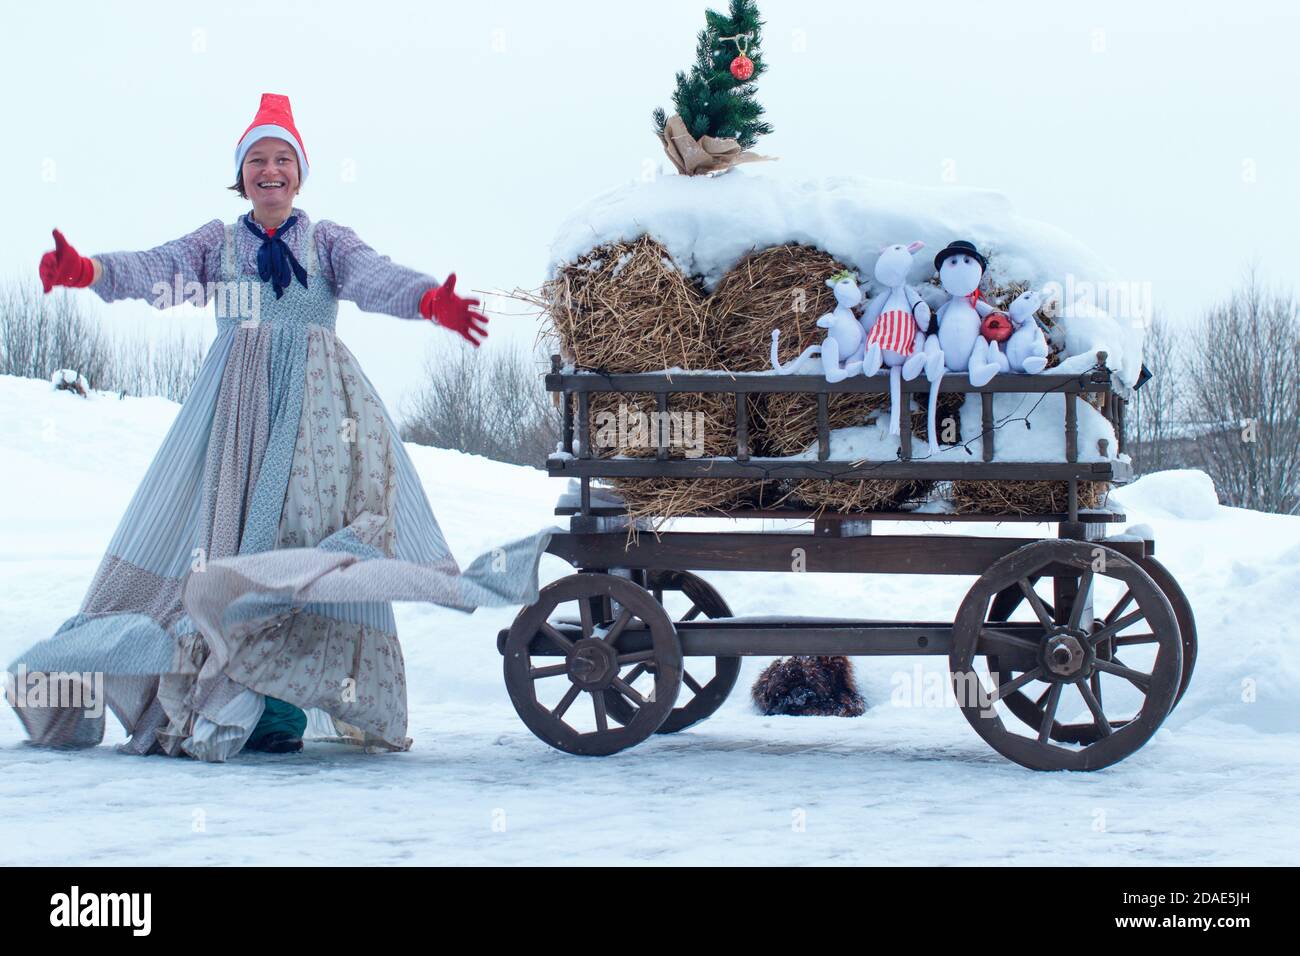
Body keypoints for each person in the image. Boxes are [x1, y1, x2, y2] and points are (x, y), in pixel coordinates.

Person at [11, 93, 553, 761]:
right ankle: (220, 691)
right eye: (257, 160)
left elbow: (373, 277)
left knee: (300, 552)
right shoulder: (219, 245)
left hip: (315, 424)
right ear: (240, 176)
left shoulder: (327, 242)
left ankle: (281, 708)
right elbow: (160, 272)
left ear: (301, 173)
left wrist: (425, 299)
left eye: (283, 159)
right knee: (224, 547)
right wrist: (89, 271)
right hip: (234, 418)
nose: (270, 170)